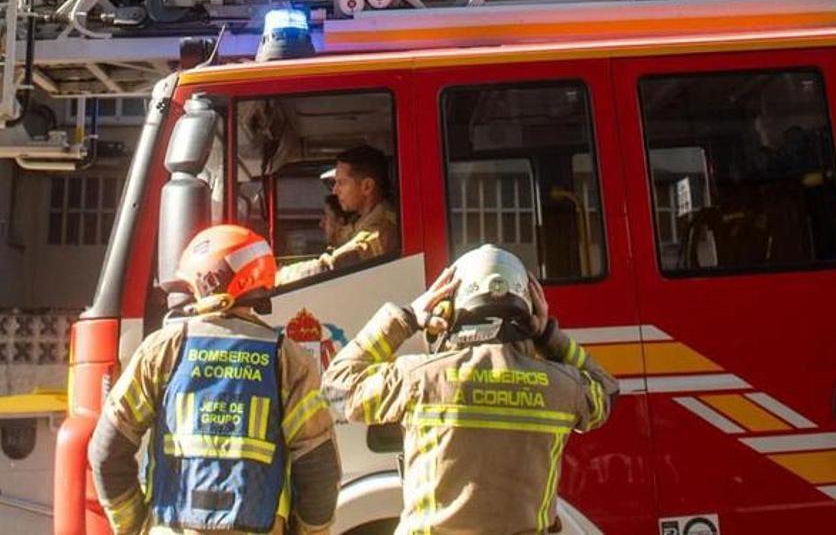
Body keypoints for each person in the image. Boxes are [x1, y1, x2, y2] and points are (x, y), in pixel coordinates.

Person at [322, 244, 618, 534]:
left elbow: (336, 388)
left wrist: (407, 318)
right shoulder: (562, 386)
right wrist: (548, 336)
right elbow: (607, 392)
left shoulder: (420, 378)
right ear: (528, 309)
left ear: (449, 308)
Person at [88, 224, 341, 534]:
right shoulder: (288, 359)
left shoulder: (163, 349)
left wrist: (133, 526)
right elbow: (319, 469)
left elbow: (106, 452)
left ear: (208, 281)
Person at [332, 145, 398, 258]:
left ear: (367, 186)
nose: (334, 191)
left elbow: (337, 264)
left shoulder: (382, 229)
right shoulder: (360, 220)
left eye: (341, 183)